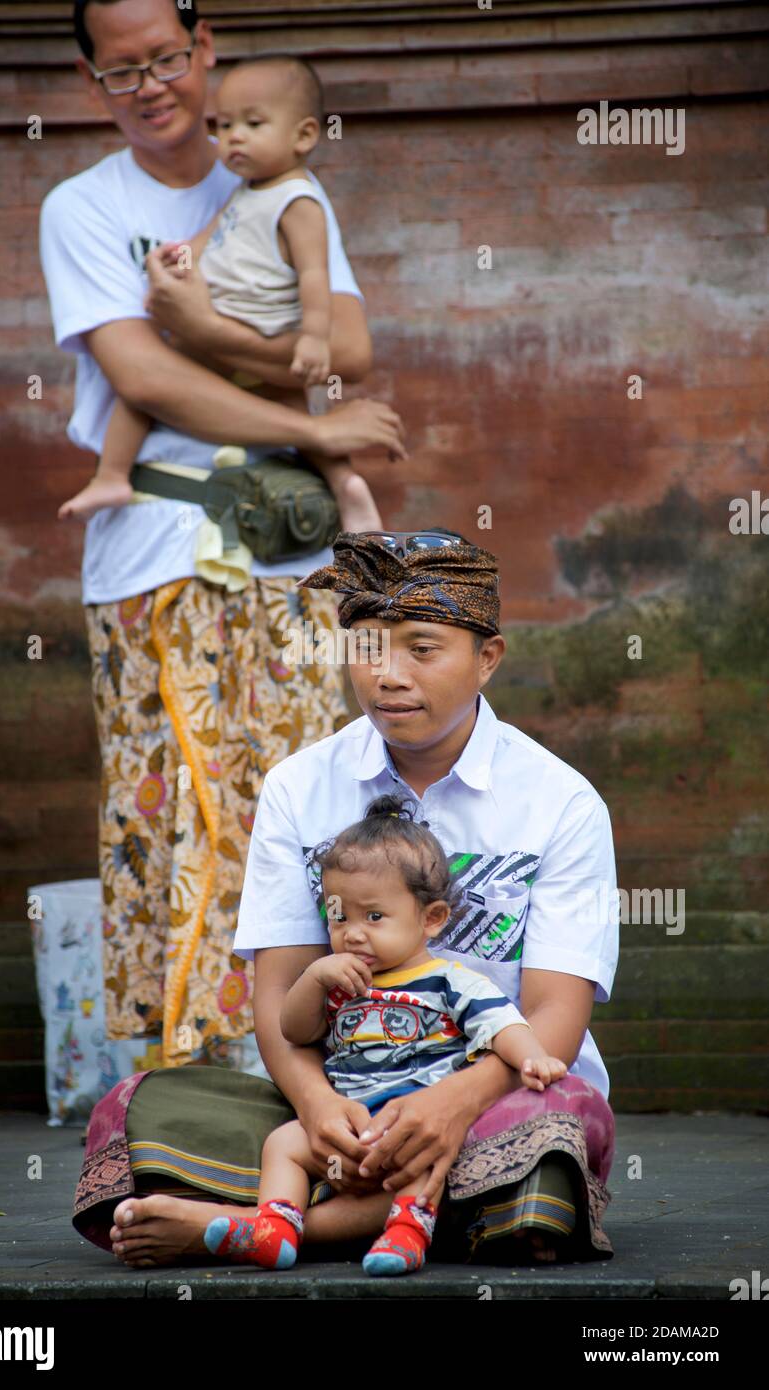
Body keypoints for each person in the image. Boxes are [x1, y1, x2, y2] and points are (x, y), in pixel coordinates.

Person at [73, 530, 619, 1269]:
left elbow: (556, 1014)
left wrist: (452, 1104)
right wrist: (319, 1109)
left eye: (422, 649)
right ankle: (402, 1215)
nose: (388, 675)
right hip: (342, 1107)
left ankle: (255, 1226)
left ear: (487, 659)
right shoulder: (299, 787)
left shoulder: (561, 803)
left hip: (502, 1095)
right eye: (366, 648)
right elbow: (277, 1004)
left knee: (555, 1130)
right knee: (130, 1108)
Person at [40, 0, 405, 1062]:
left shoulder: (283, 182)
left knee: (305, 809)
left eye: (166, 58)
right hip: (156, 550)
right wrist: (304, 415)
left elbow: (346, 345)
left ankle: (300, 1068)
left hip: (293, 556)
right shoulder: (84, 207)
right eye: (122, 72)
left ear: (204, 50)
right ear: (88, 79)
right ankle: (179, 1078)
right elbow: (145, 374)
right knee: (168, 813)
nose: (151, 85)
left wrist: (204, 331)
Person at [202, 792, 569, 1276]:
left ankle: (407, 1231)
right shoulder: (337, 982)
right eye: (340, 916)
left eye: (373, 917)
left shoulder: (449, 982)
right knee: (284, 1144)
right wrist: (313, 979)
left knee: (423, 1158)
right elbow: (293, 1029)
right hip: (346, 1122)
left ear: (431, 918)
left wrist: (532, 1059)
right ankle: (276, 1225)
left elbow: (502, 1024)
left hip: (413, 1115)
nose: (353, 933)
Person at [58, 52, 382, 537]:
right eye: (226, 123)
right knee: (151, 393)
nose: (234, 137)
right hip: (225, 320)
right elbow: (209, 237)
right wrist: (173, 261)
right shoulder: (247, 188)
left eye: (253, 124)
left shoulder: (300, 201)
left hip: (263, 322)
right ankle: (112, 476)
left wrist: (313, 338)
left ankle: (346, 483)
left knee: (287, 404)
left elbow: (315, 277)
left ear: (305, 136)